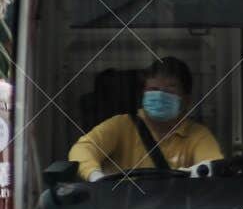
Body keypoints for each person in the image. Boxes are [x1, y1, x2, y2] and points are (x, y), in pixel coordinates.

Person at [68, 57, 223, 182]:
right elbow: (82, 149)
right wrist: (96, 177)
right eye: (154, 89)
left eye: (169, 90)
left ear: (186, 100)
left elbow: (213, 166)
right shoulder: (120, 125)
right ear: (143, 95)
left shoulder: (197, 134)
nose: (161, 95)